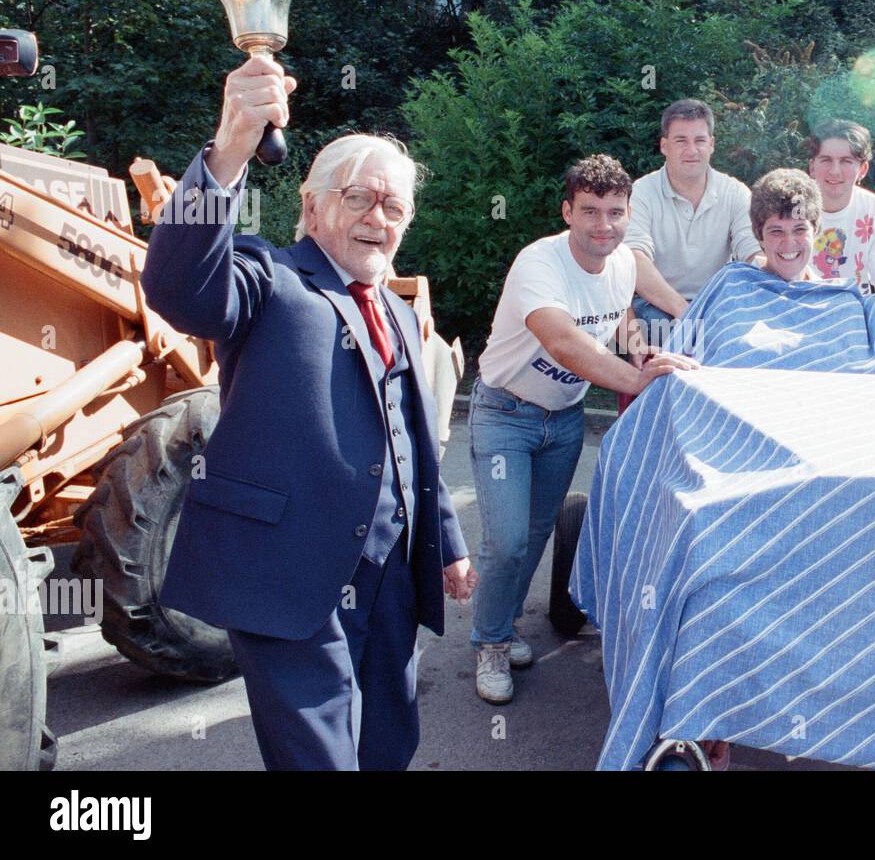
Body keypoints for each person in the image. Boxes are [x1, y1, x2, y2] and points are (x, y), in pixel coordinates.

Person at [140, 55, 477, 770]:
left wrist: (446, 537)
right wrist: (230, 148)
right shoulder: (271, 277)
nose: (377, 219)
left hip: (387, 574)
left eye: (394, 207)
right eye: (360, 198)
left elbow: (410, 432)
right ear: (315, 205)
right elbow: (180, 286)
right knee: (319, 758)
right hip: (287, 575)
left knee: (388, 739)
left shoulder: (395, 303)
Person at [470, 154, 698, 704]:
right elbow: (565, 343)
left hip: (565, 419)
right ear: (566, 211)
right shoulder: (538, 263)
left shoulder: (624, 263)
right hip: (506, 413)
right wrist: (641, 382)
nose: (604, 225)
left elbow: (617, 317)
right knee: (505, 541)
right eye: (590, 211)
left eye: (615, 213)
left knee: (535, 535)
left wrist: (645, 353)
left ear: (628, 215)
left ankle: (501, 627)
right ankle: (489, 642)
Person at [623, 99, 763, 345]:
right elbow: (634, 260)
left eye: (699, 140)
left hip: (715, 303)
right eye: (681, 141)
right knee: (668, 340)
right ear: (664, 146)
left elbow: (752, 253)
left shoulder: (735, 193)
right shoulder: (641, 192)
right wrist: (685, 312)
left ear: (711, 145)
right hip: (656, 304)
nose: (691, 150)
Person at [805, 119, 875, 291]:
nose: (835, 171)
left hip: (856, 310)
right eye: (826, 160)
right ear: (812, 167)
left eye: (846, 161)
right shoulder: (790, 209)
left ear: (863, 170)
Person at [749, 167, 823, 283]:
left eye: (799, 229)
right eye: (777, 232)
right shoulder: (729, 291)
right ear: (759, 236)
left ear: (815, 231)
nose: (789, 242)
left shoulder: (834, 297)